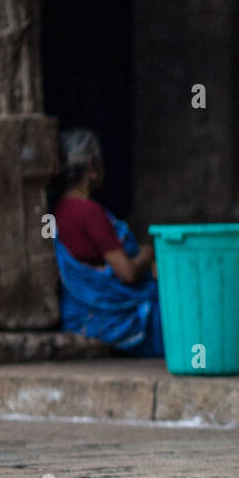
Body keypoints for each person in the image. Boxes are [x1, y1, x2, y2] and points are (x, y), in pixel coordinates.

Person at [52, 129, 164, 357]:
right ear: (92, 167)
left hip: (76, 314)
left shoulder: (58, 209)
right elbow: (127, 273)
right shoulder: (88, 212)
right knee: (171, 303)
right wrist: (147, 254)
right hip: (103, 316)